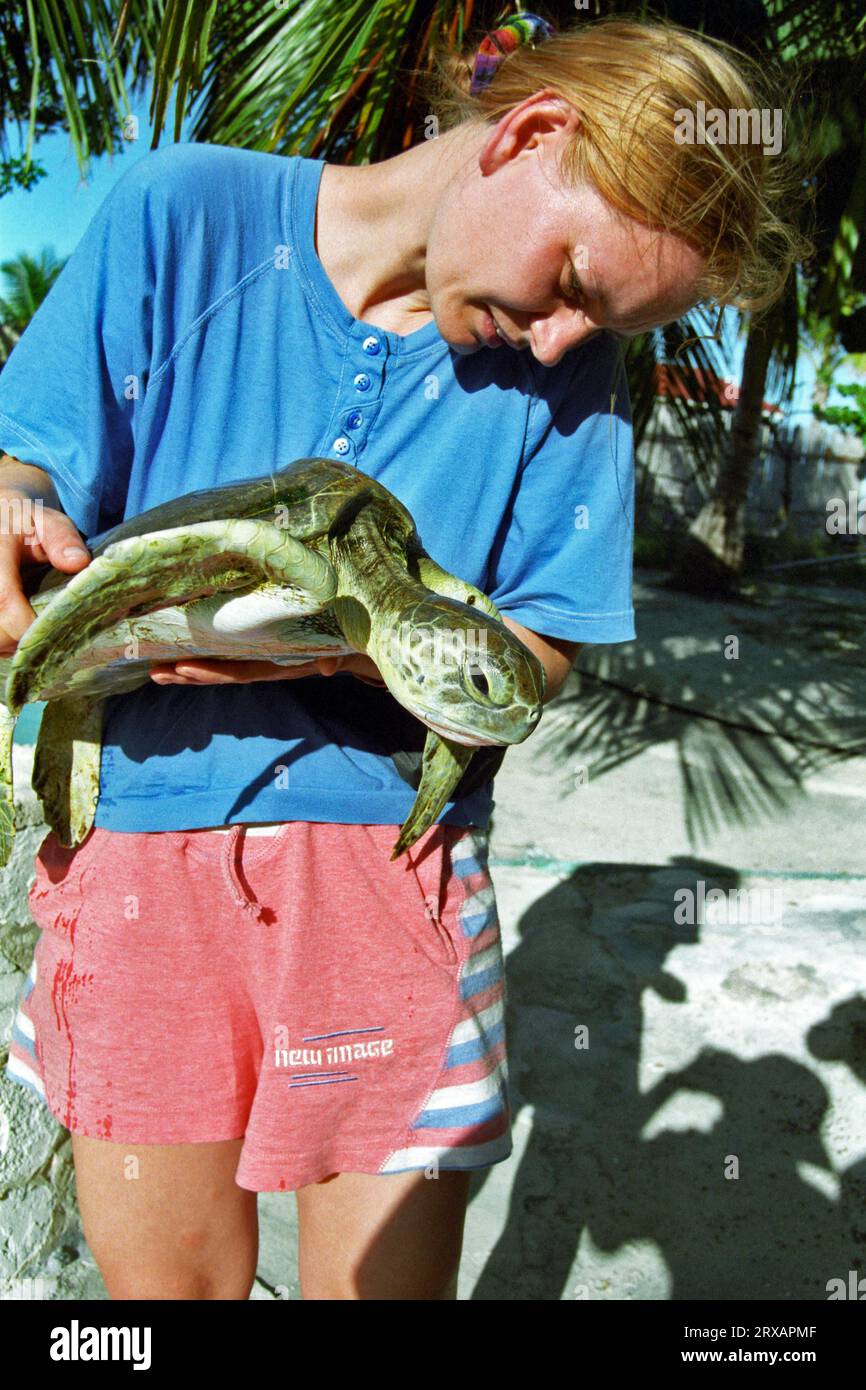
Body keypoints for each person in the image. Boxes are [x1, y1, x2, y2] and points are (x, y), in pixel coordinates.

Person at [0, 13, 806, 1300]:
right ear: (533, 135)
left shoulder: (577, 378)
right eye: (576, 282)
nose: (558, 340)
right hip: (137, 846)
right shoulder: (179, 214)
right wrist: (14, 508)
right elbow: (29, 460)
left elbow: (537, 651)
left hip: (391, 870)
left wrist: (355, 651)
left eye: (599, 324)